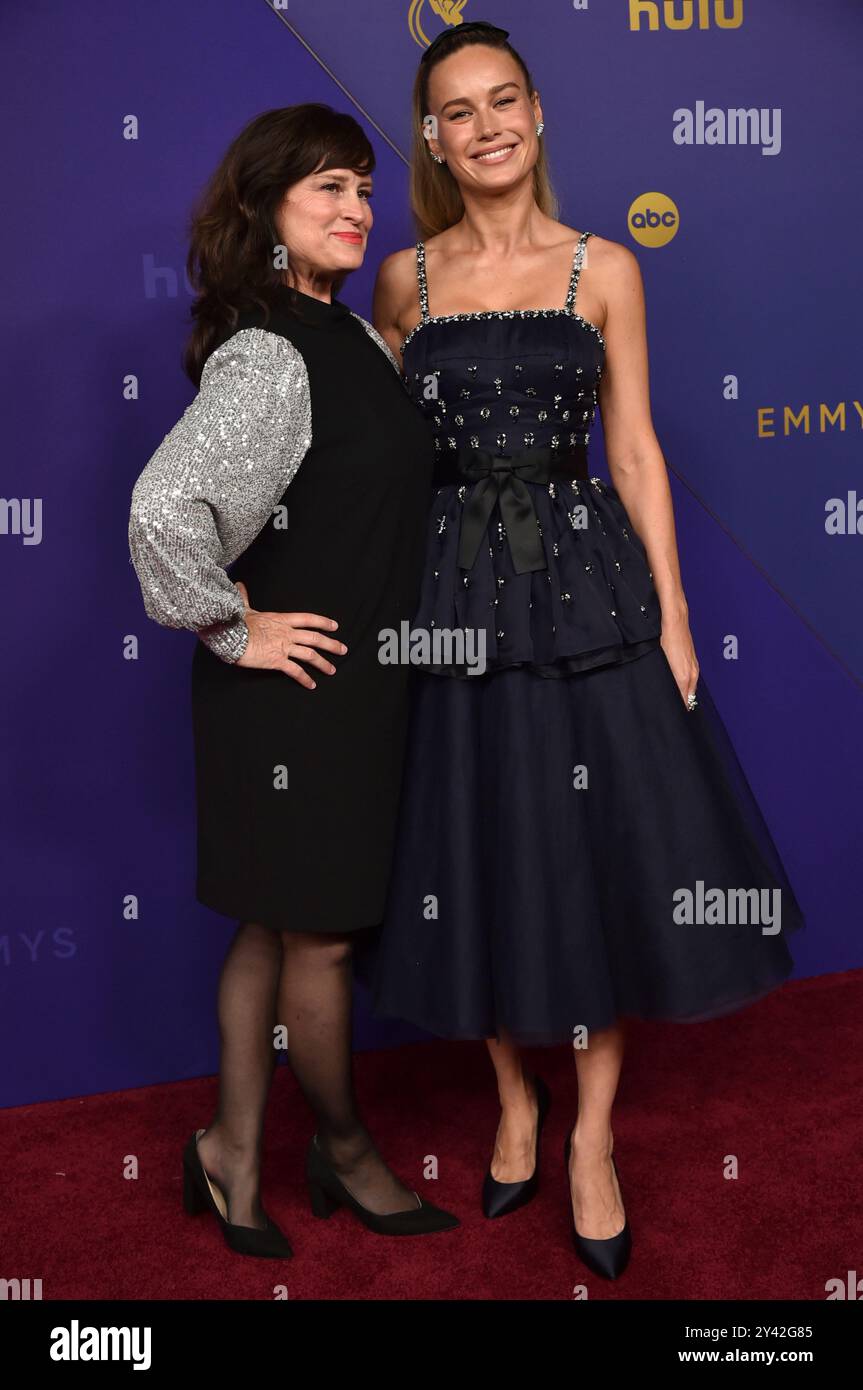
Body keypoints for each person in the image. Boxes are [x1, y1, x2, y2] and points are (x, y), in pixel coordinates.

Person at [366, 22, 804, 1280]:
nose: (485, 123)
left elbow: (633, 453)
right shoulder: (403, 281)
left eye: (503, 99)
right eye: (457, 109)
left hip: (586, 589)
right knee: (475, 848)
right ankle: (511, 1100)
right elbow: (384, 471)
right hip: (451, 600)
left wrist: (670, 615)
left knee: (604, 856)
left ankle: (590, 1138)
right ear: (434, 138)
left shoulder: (603, 267)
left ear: (537, 114)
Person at [128, 104, 459, 1257]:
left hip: (354, 687)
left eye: (364, 188)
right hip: (293, 693)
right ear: (266, 211)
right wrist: (235, 629)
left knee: (276, 931)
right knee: (313, 937)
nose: (357, 209)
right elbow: (164, 510)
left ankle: (228, 1150)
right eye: (326, 188)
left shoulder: (357, 339)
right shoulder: (270, 351)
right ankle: (348, 1150)